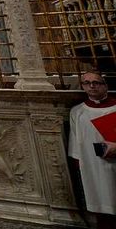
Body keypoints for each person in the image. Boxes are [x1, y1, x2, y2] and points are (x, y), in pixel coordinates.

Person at [68, 71, 116, 228]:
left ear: (106, 85)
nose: (92, 86)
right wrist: (79, 165)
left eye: (96, 82)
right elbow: (75, 143)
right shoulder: (78, 112)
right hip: (94, 167)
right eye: (87, 83)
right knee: (102, 202)